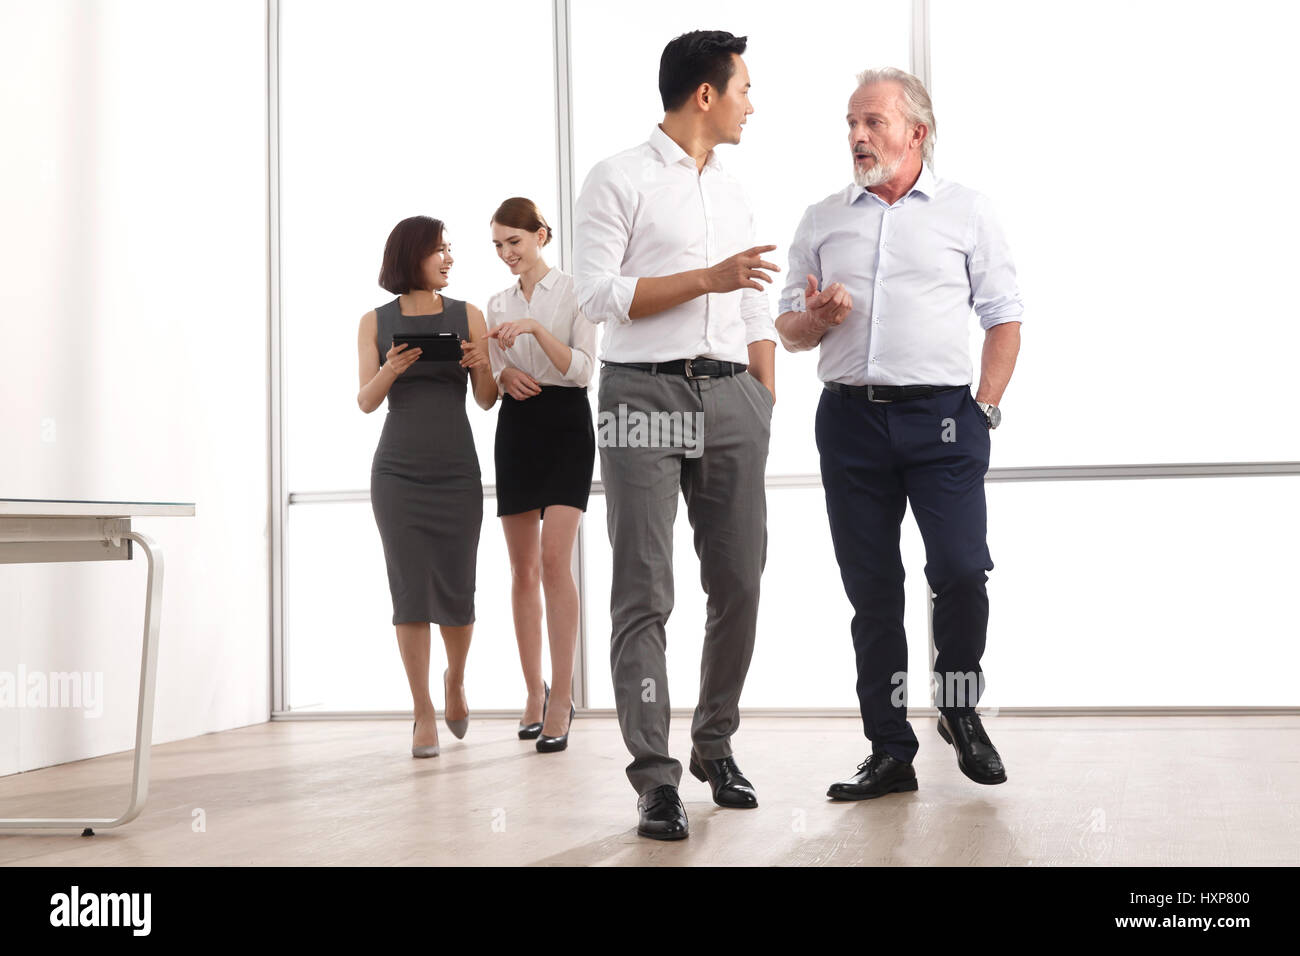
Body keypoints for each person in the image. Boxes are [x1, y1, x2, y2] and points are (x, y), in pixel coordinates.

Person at [775, 67, 1023, 799]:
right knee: (872, 591)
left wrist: (986, 406)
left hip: (944, 419)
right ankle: (890, 749)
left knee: (959, 568)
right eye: (851, 123)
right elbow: (787, 327)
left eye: (873, 122)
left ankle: (958, 706)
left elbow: (1004, 316)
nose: (857, 136)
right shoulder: (823, 218)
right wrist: (814, 319)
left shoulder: (967, 212)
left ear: (917, 132)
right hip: (849, 423)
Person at [573, 30, 779, 840]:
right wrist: (706, 278)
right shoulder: (617, 178)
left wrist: (765, 392)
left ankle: (715, 746)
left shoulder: (734, 192)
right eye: (744, 90)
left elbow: (754, 300)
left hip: (733, 396)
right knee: (644, 591)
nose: (750, 106)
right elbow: (595, 296)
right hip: (640, 394)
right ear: (706, 94)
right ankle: (655, 779)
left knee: (740, 582)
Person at [356, 215, 497, 758]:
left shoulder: (469, 315)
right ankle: (422, 713)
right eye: (439, 249)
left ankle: (455, 680)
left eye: (449, 249)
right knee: (410, 592)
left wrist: (480, 362)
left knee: (458, 591)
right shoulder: (374, 321)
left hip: (457, 471)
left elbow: (486, 399)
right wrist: (392, 368)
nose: (449, 258)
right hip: (397, 474)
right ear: (412, 255)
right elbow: (366, 400)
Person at [485, 197, 597, 753]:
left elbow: (580, 370)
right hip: (517, 427)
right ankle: (534, 692)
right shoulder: (494, 302)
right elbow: (494, 376)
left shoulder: (576, 291)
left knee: (556, 562)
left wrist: (531, 327)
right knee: (522, 569)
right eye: (499, 245)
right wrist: (504, 378)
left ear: (541, 236)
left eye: (515, 242)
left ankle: (563, 697)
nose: (507, 253)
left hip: (566, 426)